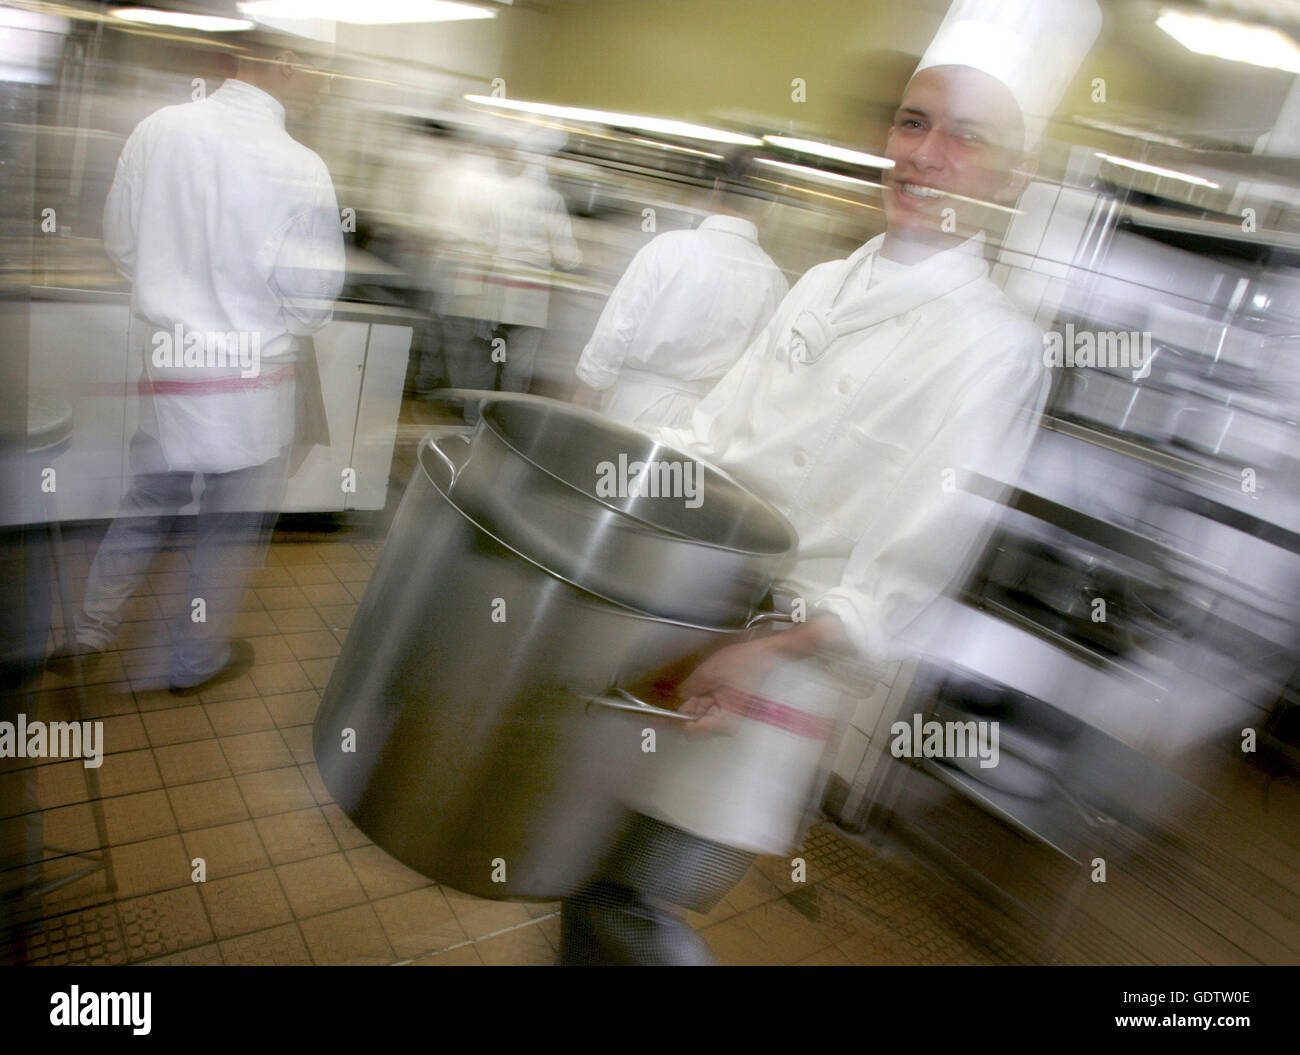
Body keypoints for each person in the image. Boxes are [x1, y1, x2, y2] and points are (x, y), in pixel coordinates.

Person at [559, 0, 1104, 965]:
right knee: (586, 879)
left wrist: (766, 648)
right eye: (913, 121)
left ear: (1012, 177)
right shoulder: (820, 285)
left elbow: (912, 569)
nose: (926, 156)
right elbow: (710, 435)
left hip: (772, 669)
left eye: (967, 139)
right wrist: (606, 482)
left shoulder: (995, 348)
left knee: (632, 905)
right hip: (681, 614)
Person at [47, 30, 344, 694]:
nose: (323, 84)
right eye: (320, 70)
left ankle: (88, 631)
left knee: (146, 501)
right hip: (253, 384)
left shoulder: (159, 129)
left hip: (172, 372)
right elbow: (312, 299)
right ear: (289, 64)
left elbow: (123, 243)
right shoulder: (302, 166)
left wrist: (175, 296)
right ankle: (186, 658)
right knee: (224, 528)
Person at [575, 156, 788, 429]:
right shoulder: (775, 280)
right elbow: (761, 369)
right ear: (768, 206)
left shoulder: (668, 248)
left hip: (635, 408)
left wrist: (587, 391)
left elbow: (617, 328)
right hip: (708, 425)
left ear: (717, 186)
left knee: (618, 471)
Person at [432, 126, 581, 424]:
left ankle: (473, 419)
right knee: (519, 366)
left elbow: (481, 239)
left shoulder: (498, 193)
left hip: (496, 288)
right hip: (531, 293)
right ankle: (508, 425)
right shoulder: (552, 198)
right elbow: (568, 257)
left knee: (484, 359)